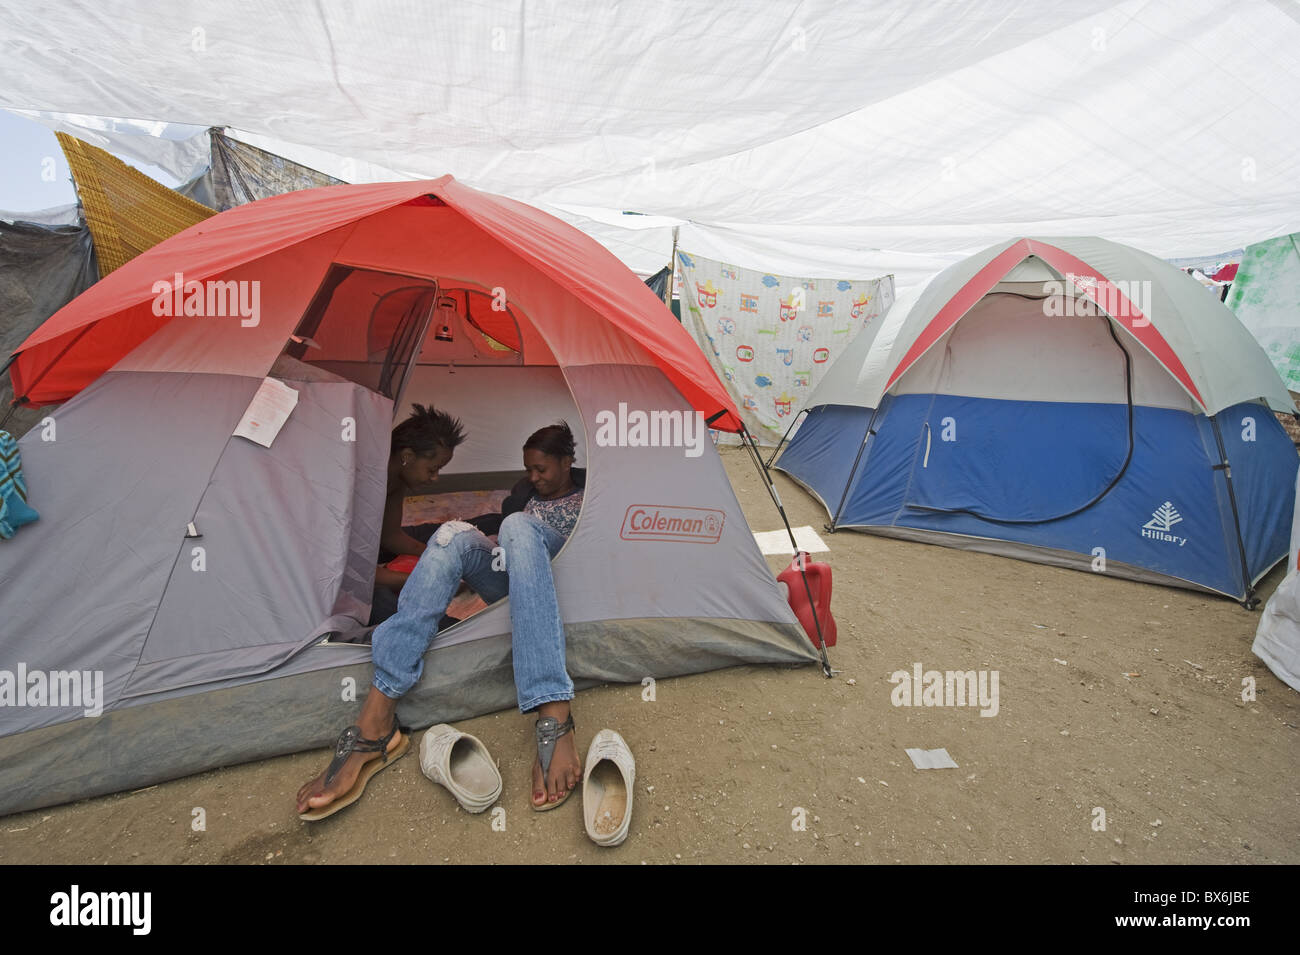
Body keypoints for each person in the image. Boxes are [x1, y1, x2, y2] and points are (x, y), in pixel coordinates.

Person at [296, 421, 586, 817]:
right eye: (529, 471)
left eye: (543, 470)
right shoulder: (528, 496)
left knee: (516, 524)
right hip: (512, 574)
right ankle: (377, 720)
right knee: (452, 533)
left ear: (568, 462)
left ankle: (553, 710)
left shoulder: (588, 498)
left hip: (556, 582)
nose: (534, 479)